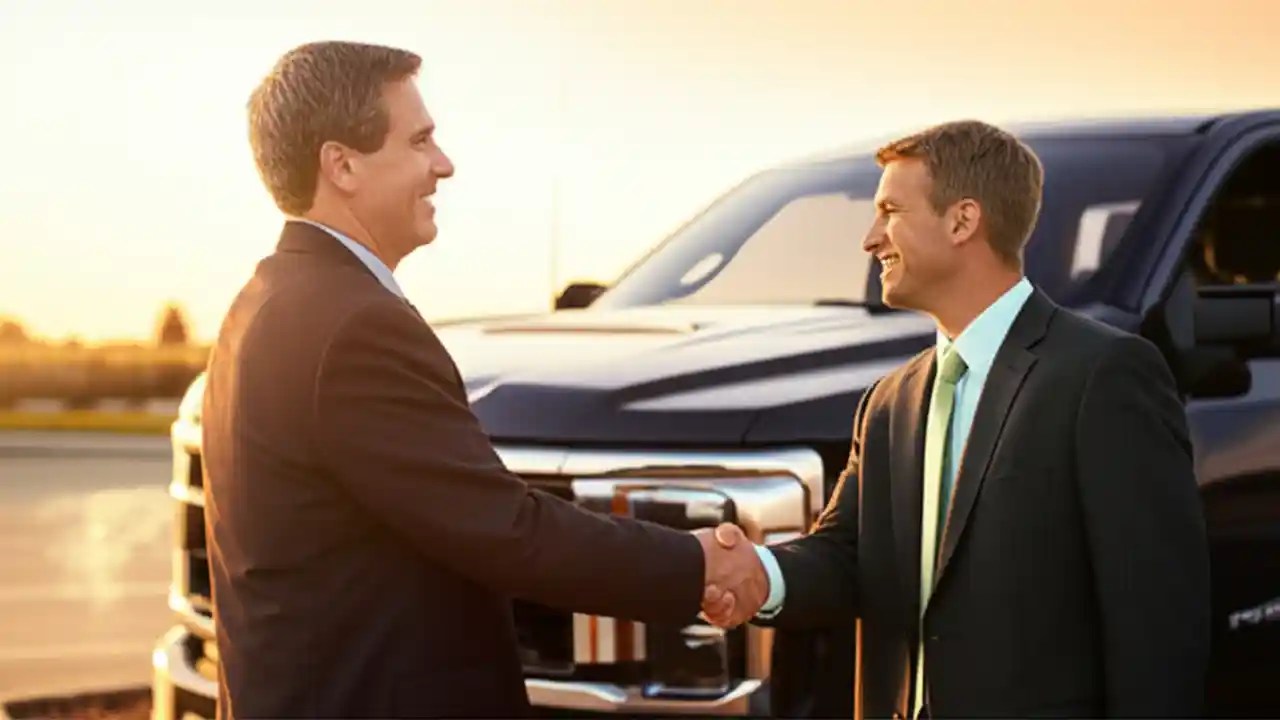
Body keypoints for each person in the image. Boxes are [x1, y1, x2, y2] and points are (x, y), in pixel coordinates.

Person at [201, 41, 764, 720]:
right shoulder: (353, 326)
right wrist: (696, 565)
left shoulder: (262, 303)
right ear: (342, 165)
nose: (443, 164)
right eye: (420, 140)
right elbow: (504, 529)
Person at [701, 120, 1212, 718]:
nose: (870, 239)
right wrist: (761, 576)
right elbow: (847, 557)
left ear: (962, 221)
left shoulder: (1104, 374)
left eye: (890, 211)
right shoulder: (888, 402)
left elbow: (1156, 623)